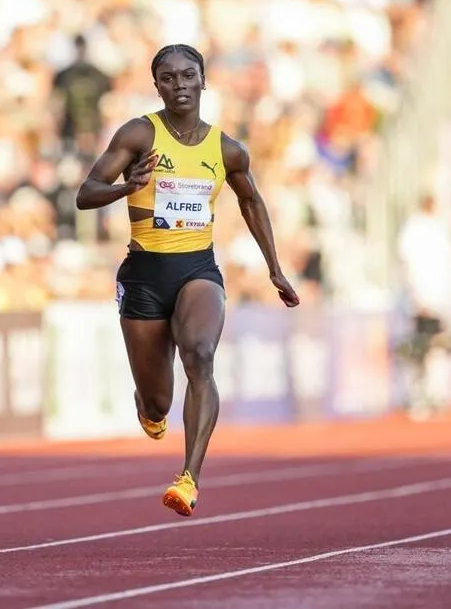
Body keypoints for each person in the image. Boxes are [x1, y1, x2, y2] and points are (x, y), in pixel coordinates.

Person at [75, 44, 299, 517]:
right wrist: (125, 188)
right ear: (156, 85)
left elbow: (252, 202)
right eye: (169, 78)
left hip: (198, 270)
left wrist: (275, 268)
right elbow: (85, 193)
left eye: (188, 76)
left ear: (204, 81)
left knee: (199, 354)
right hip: (143, 276)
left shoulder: (228, 150)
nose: (179, 86)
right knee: (158, 400)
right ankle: (149, 407)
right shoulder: (140, 133)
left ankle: (189, 478)